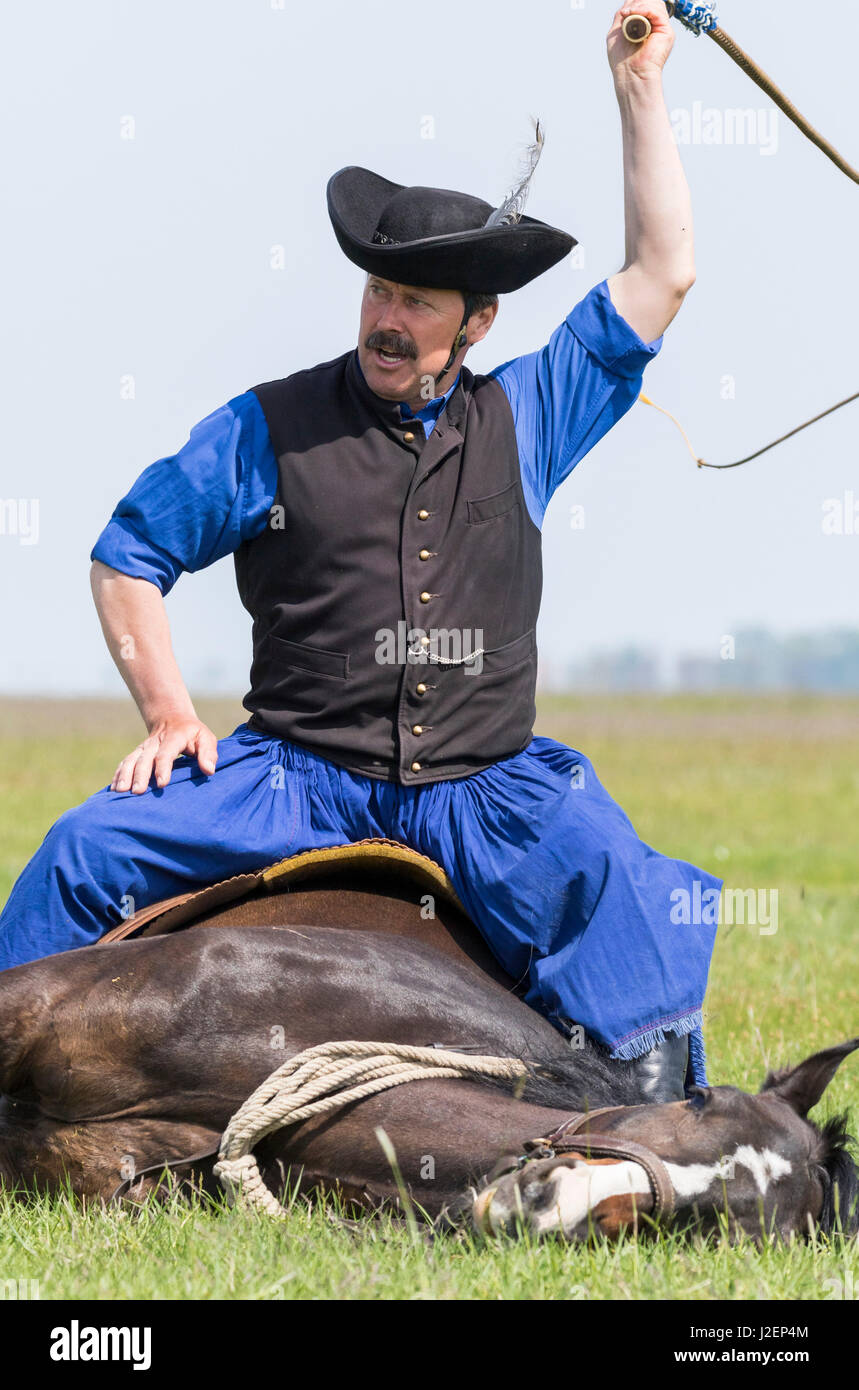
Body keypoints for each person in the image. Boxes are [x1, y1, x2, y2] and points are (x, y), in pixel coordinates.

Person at [0, 3, 720, 1099]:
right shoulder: (268, 426)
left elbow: (661, 272)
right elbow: (126, 552)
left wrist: (636, 85)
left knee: (625, 895)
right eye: (378, 290)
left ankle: (657, 1120)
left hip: (484, 786)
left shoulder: (532, 413)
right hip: (293, 778)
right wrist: (168, 716)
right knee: (84, 852)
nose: (386, 318)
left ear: (475, 323)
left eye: (416, 303)